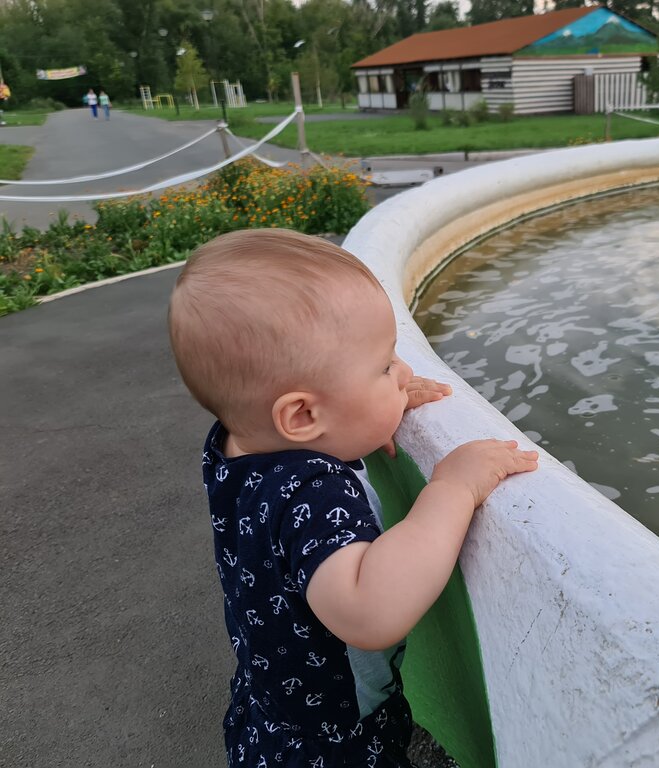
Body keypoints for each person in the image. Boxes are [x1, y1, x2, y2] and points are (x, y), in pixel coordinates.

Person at [167, 228, 538, 768]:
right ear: (302, 416)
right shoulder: (311, 492)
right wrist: (453, 487)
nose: (404, 372)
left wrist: (363, 413)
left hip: (271, 704)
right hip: (333, 744)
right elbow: (370, 608)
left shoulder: (237, 443)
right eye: (385, 366)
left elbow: (293, 466)